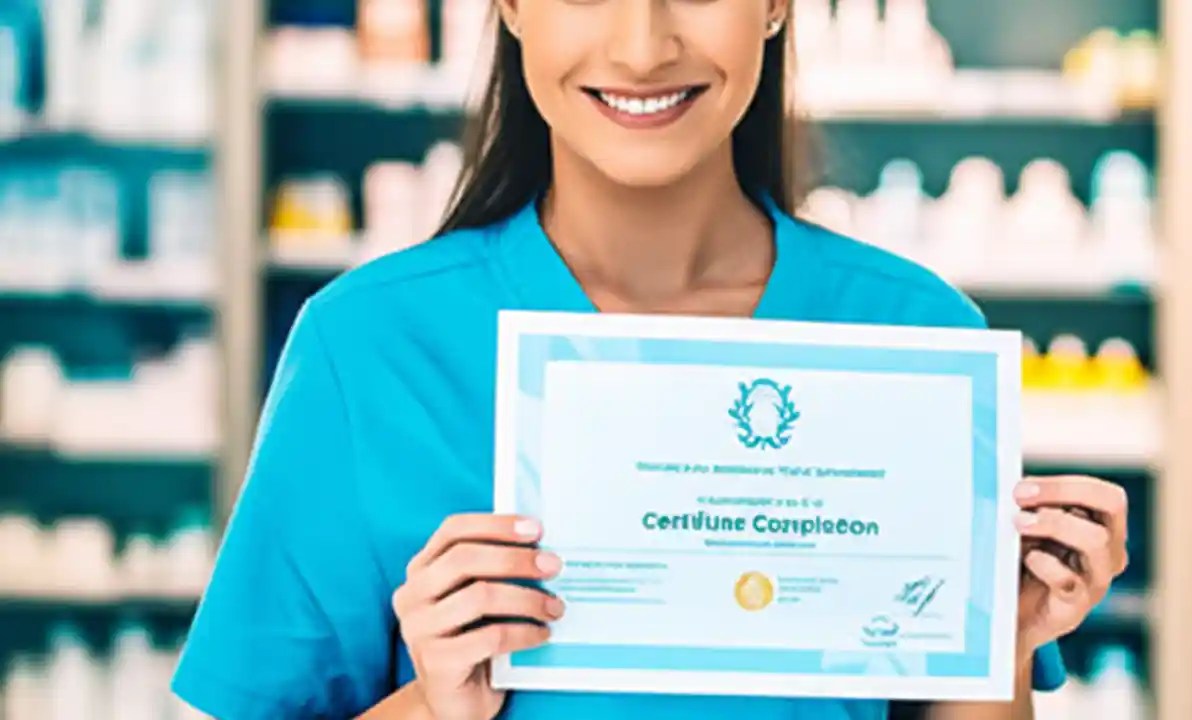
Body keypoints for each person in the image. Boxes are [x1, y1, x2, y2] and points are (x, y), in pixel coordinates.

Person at [171, 1, 1131, 719]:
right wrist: (434, 704)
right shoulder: (370, 348)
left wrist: (1001, 646)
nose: (641, 45)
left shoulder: (918, 340)